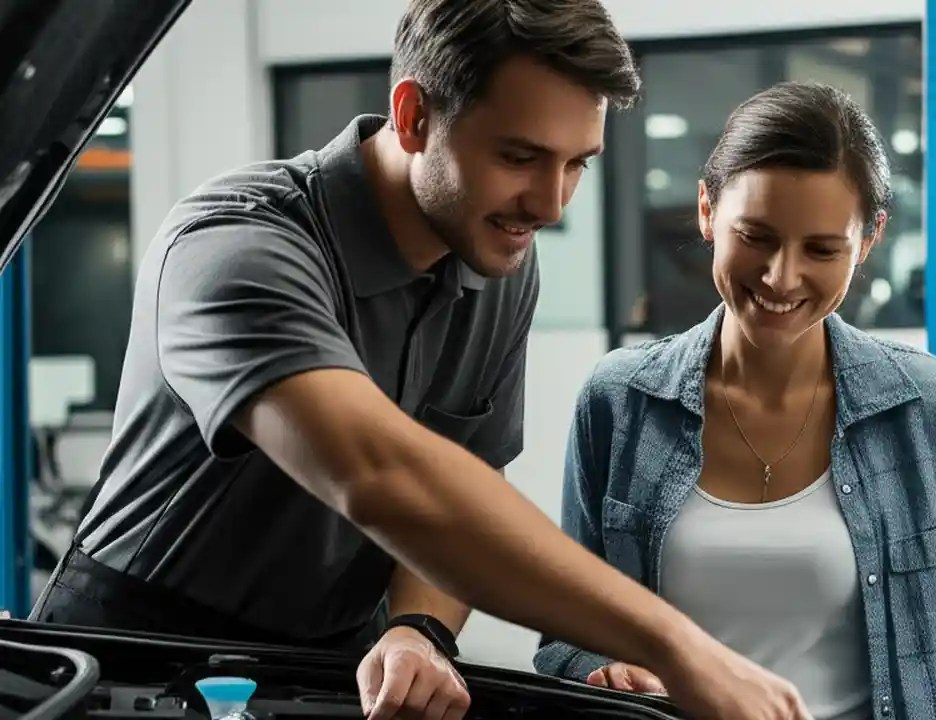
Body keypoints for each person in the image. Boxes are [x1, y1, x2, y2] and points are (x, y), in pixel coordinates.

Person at [27, 2, 814, 720]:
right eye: (519, 156)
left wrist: (418, 628)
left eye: (579, 163)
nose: (551, 205)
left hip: (334, 660)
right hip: (139, 657)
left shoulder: (502, 258)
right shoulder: (236, 246)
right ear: (413, 116)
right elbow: (389, 479)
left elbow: (466, 476)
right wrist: (679, 645)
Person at [533, 81, 936, 720]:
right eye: (756, 236)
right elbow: (567, 627)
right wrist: (600, 669)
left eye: (821, 249)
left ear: (867, 241)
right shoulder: (621, 399)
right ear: (706, 210)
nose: (782, 276)